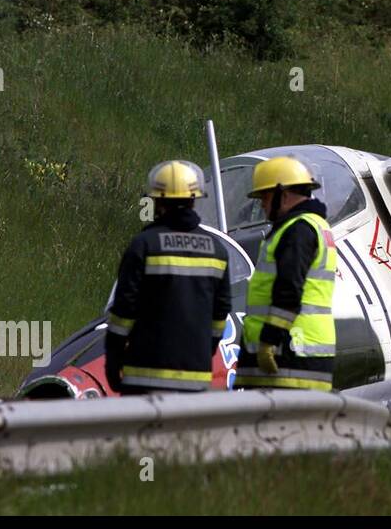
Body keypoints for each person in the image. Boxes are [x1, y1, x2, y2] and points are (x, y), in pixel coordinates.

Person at [105, 160, 232, 394]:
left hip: (144, 377)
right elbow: (220, 312)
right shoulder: (217, 250)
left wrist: (112, 362)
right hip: (195, 377)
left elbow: (123, 312)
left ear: (158, 202)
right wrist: (205, 350)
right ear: (194, 199)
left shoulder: (144, 245)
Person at [235, 156, 337, 392]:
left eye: (266, 197)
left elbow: (289, 291)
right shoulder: (314, 226)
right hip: (299, 355)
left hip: (288, 356)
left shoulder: (297, 231)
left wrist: (269, 341)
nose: (261, 204)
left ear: (284, 193)